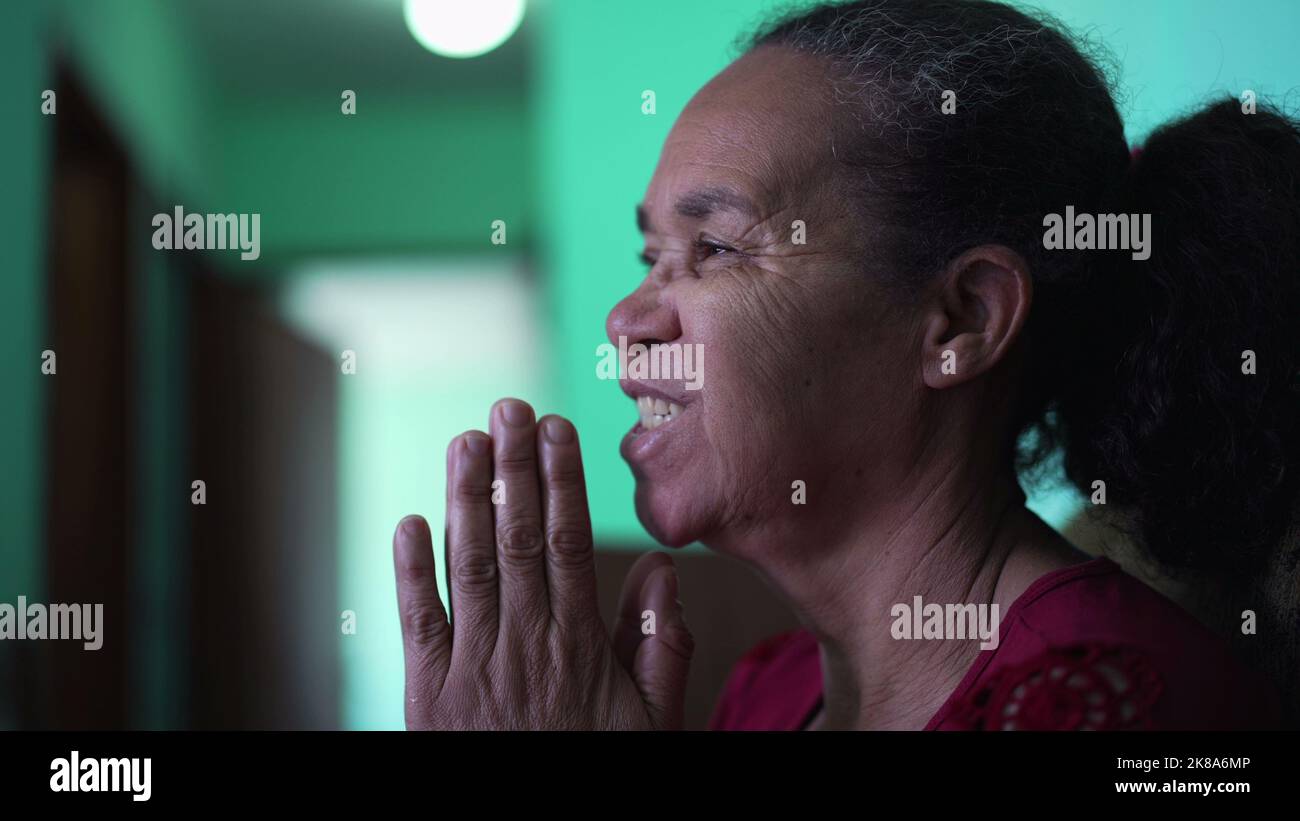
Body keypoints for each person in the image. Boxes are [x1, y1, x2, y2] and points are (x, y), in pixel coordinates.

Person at [392, 0, 1298, 730]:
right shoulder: (766, 694)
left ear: (962, 318)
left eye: (714, 248)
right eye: (649, 257)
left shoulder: (1129, 702)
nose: (626, 320)